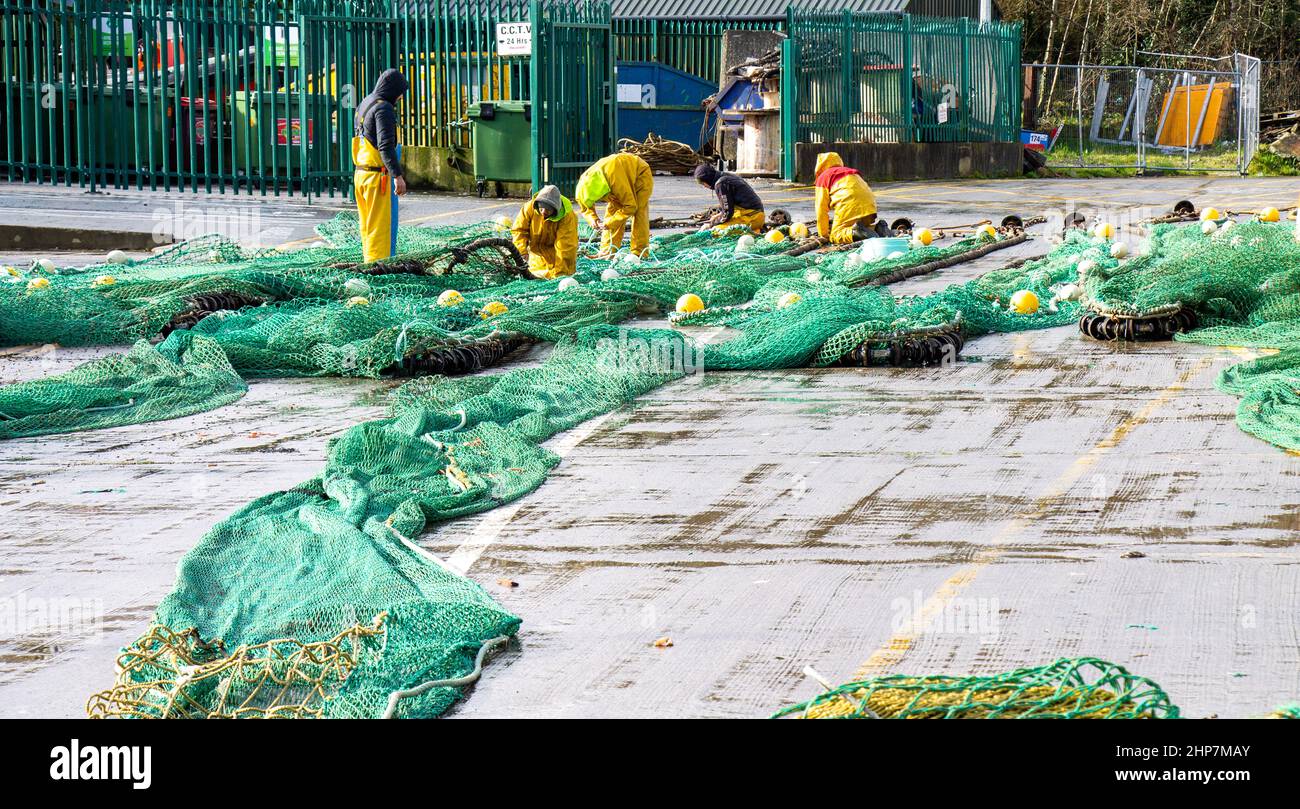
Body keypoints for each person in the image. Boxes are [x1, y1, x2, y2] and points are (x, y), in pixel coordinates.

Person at [353, 69, 409, 263]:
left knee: (368, 228)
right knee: (381, 231)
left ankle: (370, 265)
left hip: (362, 175)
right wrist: (397, 176)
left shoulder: (366, 103)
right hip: (379, 178)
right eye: (401, 92)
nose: (401, 97)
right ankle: (380, 272)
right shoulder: (383, 108)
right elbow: (385, 145)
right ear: (393, 90)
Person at [575, 153, 653, 257]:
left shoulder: (616, 182)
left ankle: (639, 253)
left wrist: (610, 223)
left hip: (640, 174)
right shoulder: (583, 187)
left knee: (639, 212)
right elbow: (585, 207)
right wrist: (593, 219)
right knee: (612, 212)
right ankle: (607, 252)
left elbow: (630, 207)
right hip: (617, 174)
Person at [813, 151, 886, 244]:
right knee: (862, 227)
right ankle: (878, 228)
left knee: (836, 234)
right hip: (869, 205)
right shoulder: (849, 171)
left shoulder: (824, 177)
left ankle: (857, 232)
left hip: (849, 204)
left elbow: (821, 209)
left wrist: (823, 234)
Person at [511, 184, 578, 279]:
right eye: (541, 208)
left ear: (555, 210)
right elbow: (519, 230)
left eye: (548, 210)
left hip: (560, 260)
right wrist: (522, 252)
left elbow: (566, 247)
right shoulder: (529, 208)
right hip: (536, 259)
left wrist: (560, 275)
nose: (543, 212)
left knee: (561, 276)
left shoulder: (567, 217)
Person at [692, 163, 765, 234]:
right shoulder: (724, 176)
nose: (703, 186)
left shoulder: (721, 184)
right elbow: (730, 206)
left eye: (702, 183)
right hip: (752, 214)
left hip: (753, 217)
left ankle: (754, 231)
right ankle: (754, 230)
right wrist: (718, 215)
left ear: (707, 179)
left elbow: (727, 213)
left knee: (715, 231)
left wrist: (712, 224)